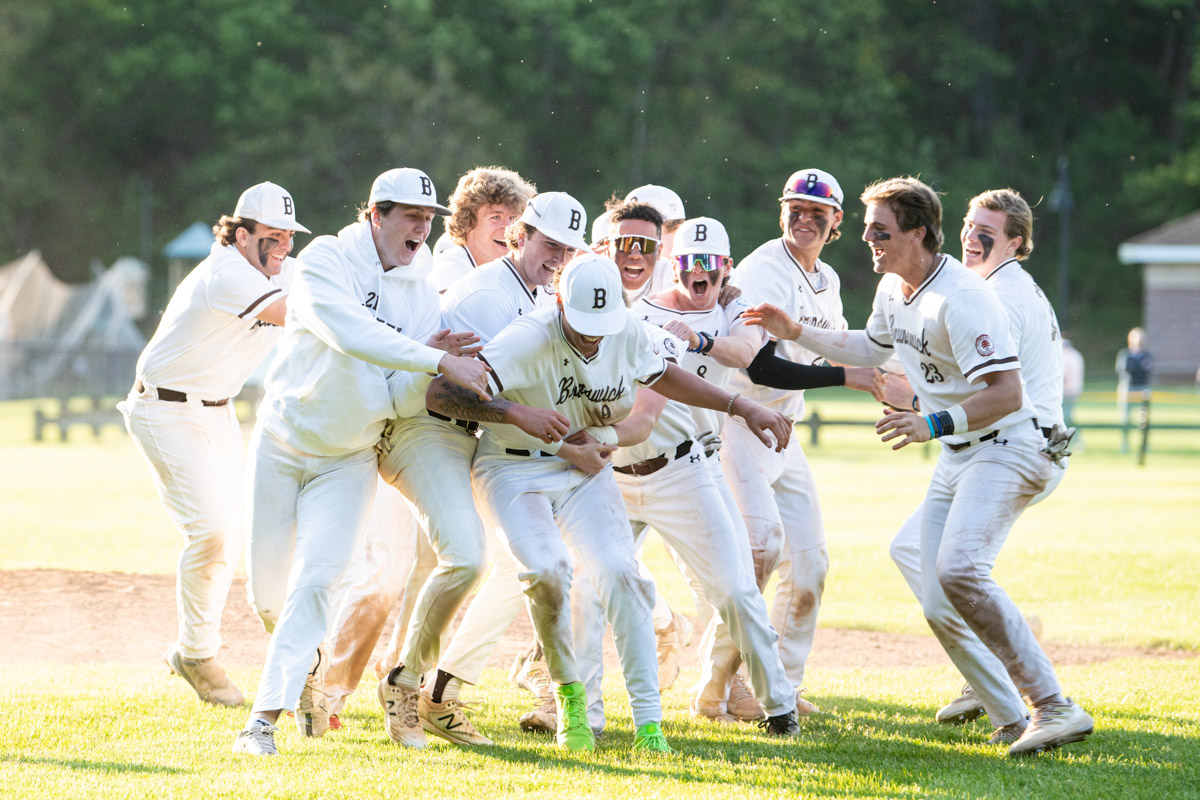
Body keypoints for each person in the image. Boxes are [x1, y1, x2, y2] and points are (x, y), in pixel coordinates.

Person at [744, 176, 1094, 757]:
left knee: (959, 570)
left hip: (1010, 445)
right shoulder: (892, 287)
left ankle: (1054, 707)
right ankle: (1010, 716)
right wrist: (796, 331)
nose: (865, 239)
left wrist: (930, 423)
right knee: (930, 581)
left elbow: (1007, 393)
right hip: (966, 451)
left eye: (879, 230)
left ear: (919, 234)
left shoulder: (963, 295)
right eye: (865, 228)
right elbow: (870, 349)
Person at [425, 254, 794, 753]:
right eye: (583, 327)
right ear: (559, 303)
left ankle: (649, 725)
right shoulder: (528, 336)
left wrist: (742, 405)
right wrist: (516, 411)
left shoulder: (624, 329)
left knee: (623, 576)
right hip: (512, 466)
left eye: (603, 327)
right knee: (548, 572)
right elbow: (440, 392)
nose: (594, 338)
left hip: (582, 467)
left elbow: (662, 375)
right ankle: (570, 698)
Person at [231, 167, 490, 757]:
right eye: (410, 216)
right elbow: (345, 332)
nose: (422, 229)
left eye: (429, 220)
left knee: (316, 581)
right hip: (281, 441)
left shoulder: (423, 292)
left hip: (346, 460)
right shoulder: (326, 259)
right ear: (374, 215)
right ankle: (311, 661)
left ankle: (260, 724)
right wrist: (434, 358)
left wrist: (429, 365)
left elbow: (401, 390)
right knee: (267, 598)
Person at [372, 191, 588, 749]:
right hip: (426, 427)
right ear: (520, 235)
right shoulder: (491, 295)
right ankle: (403, 683)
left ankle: (441, 693)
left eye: (568, 249)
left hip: (474, 438)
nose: (558, 257)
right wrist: (520, 414)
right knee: (465, 557)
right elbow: (443, 395)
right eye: (549, 244)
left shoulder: (541, 291)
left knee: (529, 559)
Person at [878, 188, 1076, 742]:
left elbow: (996, 388)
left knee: (960, 569)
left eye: (987, 230)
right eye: (968, 223)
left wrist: (921, 410)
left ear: (1016, 243)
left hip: (1016, 445)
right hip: (990, 446)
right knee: (913, 551)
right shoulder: (983, 287)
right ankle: (989, 678)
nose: (971, 234)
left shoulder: (996, 295)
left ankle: (1041, 701)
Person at [119, 182, 309, 707]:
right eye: (272, 237)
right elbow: (298, 314)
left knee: (227, 539)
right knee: (213, 532)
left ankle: (195, 651)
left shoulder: (279, 267)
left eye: (289, 237)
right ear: (240, 233)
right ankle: (198, 656)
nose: (283, 247)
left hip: (219, 411)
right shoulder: (226, 271)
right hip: (164, 408)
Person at [717, 168, 853, 717]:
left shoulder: (828, 279)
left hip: (784, 430)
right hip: (741, 422)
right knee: (759, 551)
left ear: (836, 221)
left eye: (816, 212)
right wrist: (850, 378)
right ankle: (726, 686)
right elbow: (761, 365)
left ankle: (782, 684)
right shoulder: (762, 269)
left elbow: (826, 347)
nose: (803, 218)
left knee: (810, 564)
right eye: (794, 207)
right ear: (781, 211)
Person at [428, 167, 537, 292]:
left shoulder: (518, 271)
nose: (508, 228)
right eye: (496, 217)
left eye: (513, 218)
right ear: (468, 222)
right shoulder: (448, 271)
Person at [1116, 327, 1153, 453]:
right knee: (1125, 418)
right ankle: (1124, 444)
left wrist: (1134, 367)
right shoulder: (1125, 353)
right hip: (1127, 388)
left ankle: (1143, 446)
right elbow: (1123, 369)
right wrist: (1137, 367)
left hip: (1143, 388)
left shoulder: (1147, 354)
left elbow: (1147, 370)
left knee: (1143, 419)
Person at [1061, 335, 1084, 430]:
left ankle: (1074, 435)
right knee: (1069, 414)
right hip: (1076, 389)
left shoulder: (1066, 357)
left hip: (1066, 390)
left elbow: (1064, 375)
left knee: (1066, 416)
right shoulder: (1077, 355)